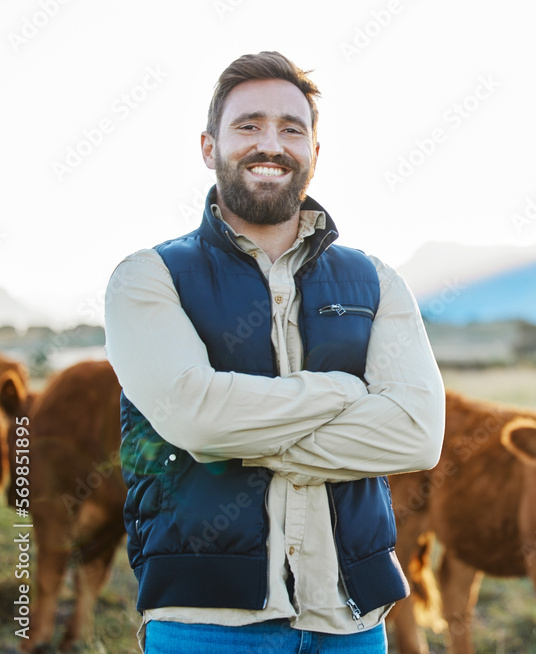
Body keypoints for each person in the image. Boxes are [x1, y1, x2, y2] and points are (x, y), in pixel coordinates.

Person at [104, 51, 445, 653]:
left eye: (292, 128)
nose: (272, 143)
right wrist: (344, 392)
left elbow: (416, 437)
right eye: (248, 125)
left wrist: (238, 438)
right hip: (204, 621)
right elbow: (195, 419)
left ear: (316, 151)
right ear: (209, 147)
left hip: (352, 621)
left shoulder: (377, 281)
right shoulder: (149, 278)